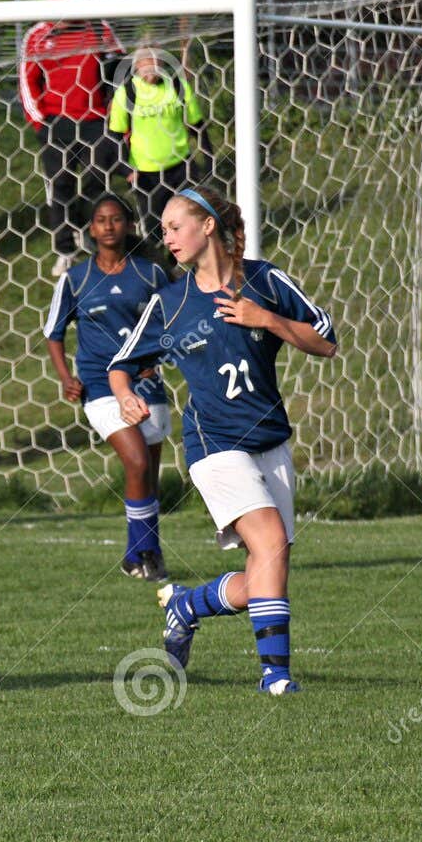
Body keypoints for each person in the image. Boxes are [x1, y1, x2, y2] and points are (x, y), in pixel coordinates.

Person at [108, 187, 337, 695]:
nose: (165, 237)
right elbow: (120, 365)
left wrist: (268, 319)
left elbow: (326, 341)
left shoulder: (264, 279)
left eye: (174, 226)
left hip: (270, 440)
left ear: (207, 225)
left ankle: (188, 605)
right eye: (163, 229)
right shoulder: (172, 302)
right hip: (213, 444)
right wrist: (125, 395)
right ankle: (275, 677)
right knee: (271, 543)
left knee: (266, 571)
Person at [45, 194, 175, 581]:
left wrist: (156, 361)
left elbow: (173, 323)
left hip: (146, 384)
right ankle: (147, 554)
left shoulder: (151, 274)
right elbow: (53, 333)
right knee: (134, 461)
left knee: (148, 475)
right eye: (100, 220)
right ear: (90, 228)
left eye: (116, 219)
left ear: (129, 225)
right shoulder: (75, 278)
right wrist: (66, 377)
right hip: (100, 385)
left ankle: (139, 556)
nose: (108, 226)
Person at [19, 0, 125, 280]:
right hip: (57, 122)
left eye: (67, 2)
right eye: (55, 4)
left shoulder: (99, 29)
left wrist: (117, 118)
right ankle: (65, 250)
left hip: (95, 120)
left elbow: (122, 70)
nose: (62, 11)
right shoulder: (38, 35)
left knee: (97, 182)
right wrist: (40, 122)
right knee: (60, 185)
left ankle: (91, 236)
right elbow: (28, 81)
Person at [108, 45, 210, 238]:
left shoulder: (177, 86)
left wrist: (208, 157)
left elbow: (198, 126)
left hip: (181, 166)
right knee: (155, 226)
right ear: (137, 66)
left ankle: (182, 263)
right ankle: (159, 265)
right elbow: (115, 135)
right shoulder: (127, 92)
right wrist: (125, 169)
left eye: (156, 62)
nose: (152, 68)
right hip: (146, 173)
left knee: (187, 220)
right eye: (147, 63)